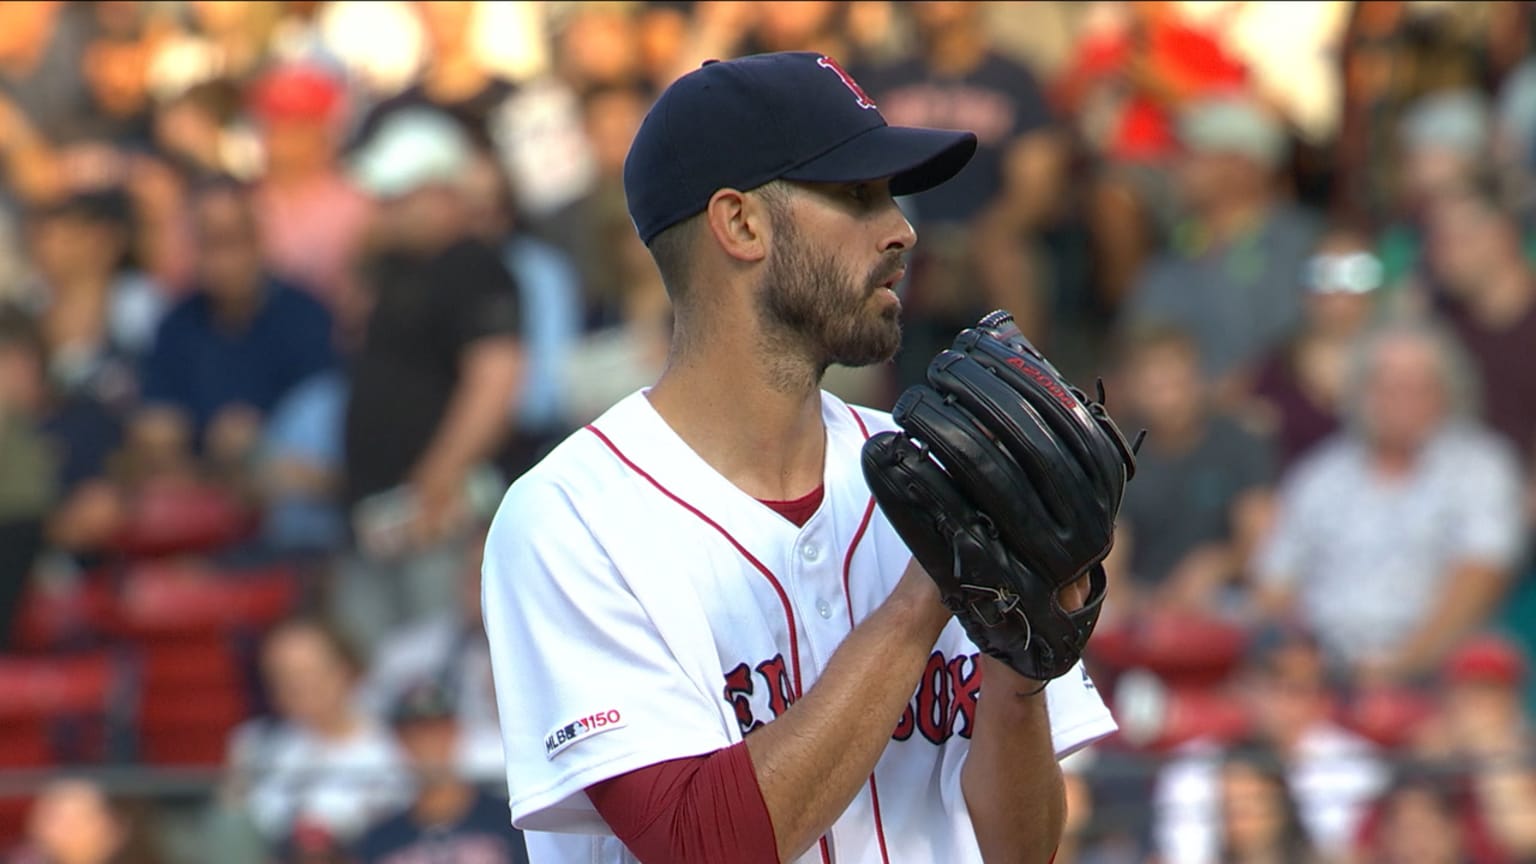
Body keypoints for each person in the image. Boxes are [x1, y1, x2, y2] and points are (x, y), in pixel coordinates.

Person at [483, 52, 1117, 864]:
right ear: (741, 224)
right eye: (857, 195)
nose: (901, 228)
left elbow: (1019, 852)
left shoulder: (935, 471)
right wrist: (933, 587)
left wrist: (1020, 680)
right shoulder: (573, 516)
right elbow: (701, 844)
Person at [339, 108, 523, 653]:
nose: (383, 211)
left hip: (432, 519)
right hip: (382, 519)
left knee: (434, 665)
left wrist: (435, 483)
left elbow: (495, 381)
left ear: (442, 192)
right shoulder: (398, 270)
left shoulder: (474, 268)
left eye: (398, 198)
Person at [1252, 321, 1525, 683]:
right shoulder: (1321, 474)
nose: (1401, 401)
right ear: (1361, 394)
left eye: (1417, 387)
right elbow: (1276, 582)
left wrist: (1402, 664)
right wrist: (1302, 662)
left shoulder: (1481, 466)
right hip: (1322, 672)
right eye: (1386, 386)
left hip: (1438, 672)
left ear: (1447, 392)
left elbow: (1481, 576)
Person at [853, 0, 1066, 380]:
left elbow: (1037, 185)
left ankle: (1029, 394)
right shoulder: (881, 78)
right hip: (901, 232)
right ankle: (861, 412)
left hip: (986, 236)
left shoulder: (1013, 79)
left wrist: (982, 238)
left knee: (1007, 255)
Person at [135, 177, 336, 477]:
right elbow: (159, 414)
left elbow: (322, 420)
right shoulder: (177, 323)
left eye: (232, 241)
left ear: (258, 240)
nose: (222, 261)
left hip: (284, 479)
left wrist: (259, 440)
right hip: (201, 481)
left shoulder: (306, 316)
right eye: (208, 244)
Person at [1124, 95, 1321, 392]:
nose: (1175, 165)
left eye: (1193, 154)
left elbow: (1304, 350)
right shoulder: (1174, 249)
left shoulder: (1304, 245)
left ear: (1243, 166)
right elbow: (1133, 348)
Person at [1153, 628, 1388, 864]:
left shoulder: (1358, 764)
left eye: (1300, 687)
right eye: (1273, 683)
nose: (1283, 700)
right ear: (1243, 686)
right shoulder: (1193, 766)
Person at [1111, 324, 1275, 614]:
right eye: (1155, 387)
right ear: (1133, 390)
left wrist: (1220, 564)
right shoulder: (1118, 458)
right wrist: (1139, 601)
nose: (1169, 399)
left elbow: (1263, 540)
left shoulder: (1239, 444)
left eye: (1178, 383)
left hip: (1226, 599)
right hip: (1145, 606)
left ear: (1199, 381)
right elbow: (1110, 560)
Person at [221, 617, 411, 849]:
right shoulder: (255, 743)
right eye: (283, 675)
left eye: (309, 671)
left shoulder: (403, 739)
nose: (297, 686)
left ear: (346, 669)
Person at [359, 526, 503, 783]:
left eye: (499, 575)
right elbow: (366, 727)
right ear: (458, 577)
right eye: (475, 573)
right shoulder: (405, 651)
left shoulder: (553, 647)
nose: (484, 586)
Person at [1237, 226, 1385, 473]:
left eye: (1358, 274)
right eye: (1324, 274)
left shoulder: (1407, 366)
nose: (1341, 289)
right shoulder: (1274, 371)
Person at [352, 680, 530, 864]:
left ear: (456, 730)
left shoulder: (511, 821)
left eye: (437, 730)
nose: (428, 744)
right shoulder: (378, 841)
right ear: (400, 741)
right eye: (415, 734)